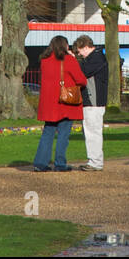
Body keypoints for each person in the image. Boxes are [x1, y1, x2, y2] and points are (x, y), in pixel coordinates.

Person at [33, 36, 87, 172]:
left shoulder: (44, 61)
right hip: (65, 102)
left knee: (48, 133)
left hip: (49, 104)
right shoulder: (69, 60)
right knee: (63, 134)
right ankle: (60, 163)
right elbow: (81, 80)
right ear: (65, 46)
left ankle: (40, 163)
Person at [73, 36, 108, 171]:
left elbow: (82, 72)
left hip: (94, 102)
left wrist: (74, 60)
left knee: (92, 131)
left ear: (86, 47)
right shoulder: (96, 57)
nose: (79, 54)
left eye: (80, 51)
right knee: (91, 131)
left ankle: (95, 162)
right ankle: (94, 160)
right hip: (93, 101)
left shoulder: (96, 58)